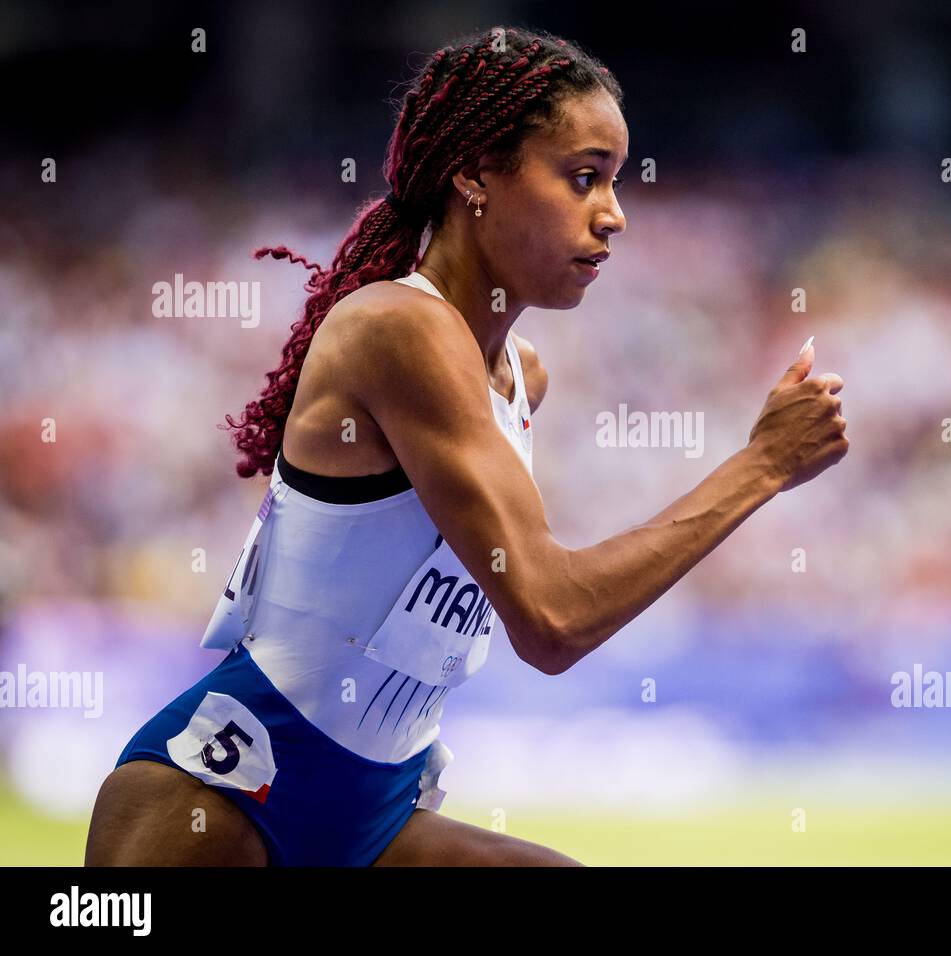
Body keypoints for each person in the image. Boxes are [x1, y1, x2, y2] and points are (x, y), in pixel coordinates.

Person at [85, 26, 848, 867]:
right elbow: (553, 618)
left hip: (374, 810)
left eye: (617, 183)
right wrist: (762, 467)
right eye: (583, 177)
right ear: (475, 173)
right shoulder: (396, 327)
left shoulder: (523, 376)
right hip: (223, 797)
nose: (615, 214)